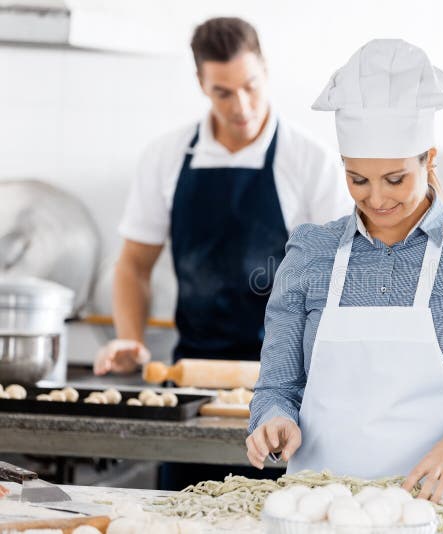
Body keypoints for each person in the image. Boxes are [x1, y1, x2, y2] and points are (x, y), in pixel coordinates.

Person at [245, 39, 443, 510]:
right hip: (317, 509)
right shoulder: (309, 252)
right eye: (358, 179)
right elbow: (277, 387)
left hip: (436, 509)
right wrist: (273, 418)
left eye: (395, 179)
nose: (376, 198)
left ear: (429, 160)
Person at [93, 17, 352, 489]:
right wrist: (131, 336)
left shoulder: (310, 162)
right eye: (223, 93)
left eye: (250, 86)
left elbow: (338, 277)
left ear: (266, 71)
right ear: (201, 84)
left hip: (286, 392)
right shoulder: (167, 157)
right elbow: (133, 265)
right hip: (192, 383)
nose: (242, 106)